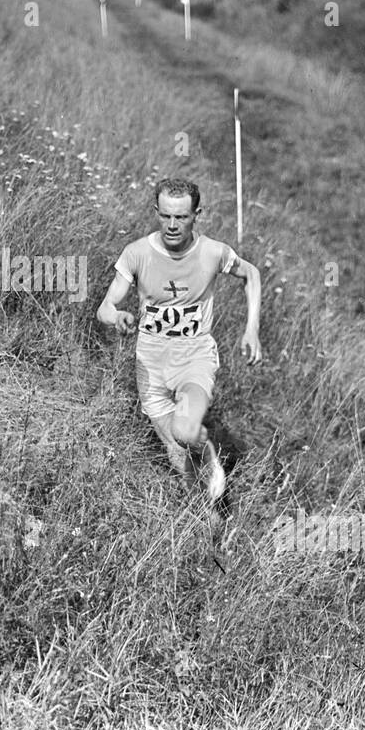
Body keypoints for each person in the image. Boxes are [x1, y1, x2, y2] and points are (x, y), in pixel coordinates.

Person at [96, 178, 263, 504]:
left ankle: (208, 453)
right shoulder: (137, 253)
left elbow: (251, 274)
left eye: (182, 217)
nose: (172, 225)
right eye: (166, 216)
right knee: (176, 454)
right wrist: (117, 317)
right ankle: (209, 522)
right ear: (156, 211)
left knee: (185, 432)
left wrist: (251, 329)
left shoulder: (213, 253)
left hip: (193, 359)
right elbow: (105, 307)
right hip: (150, 365)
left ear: (196, 214)